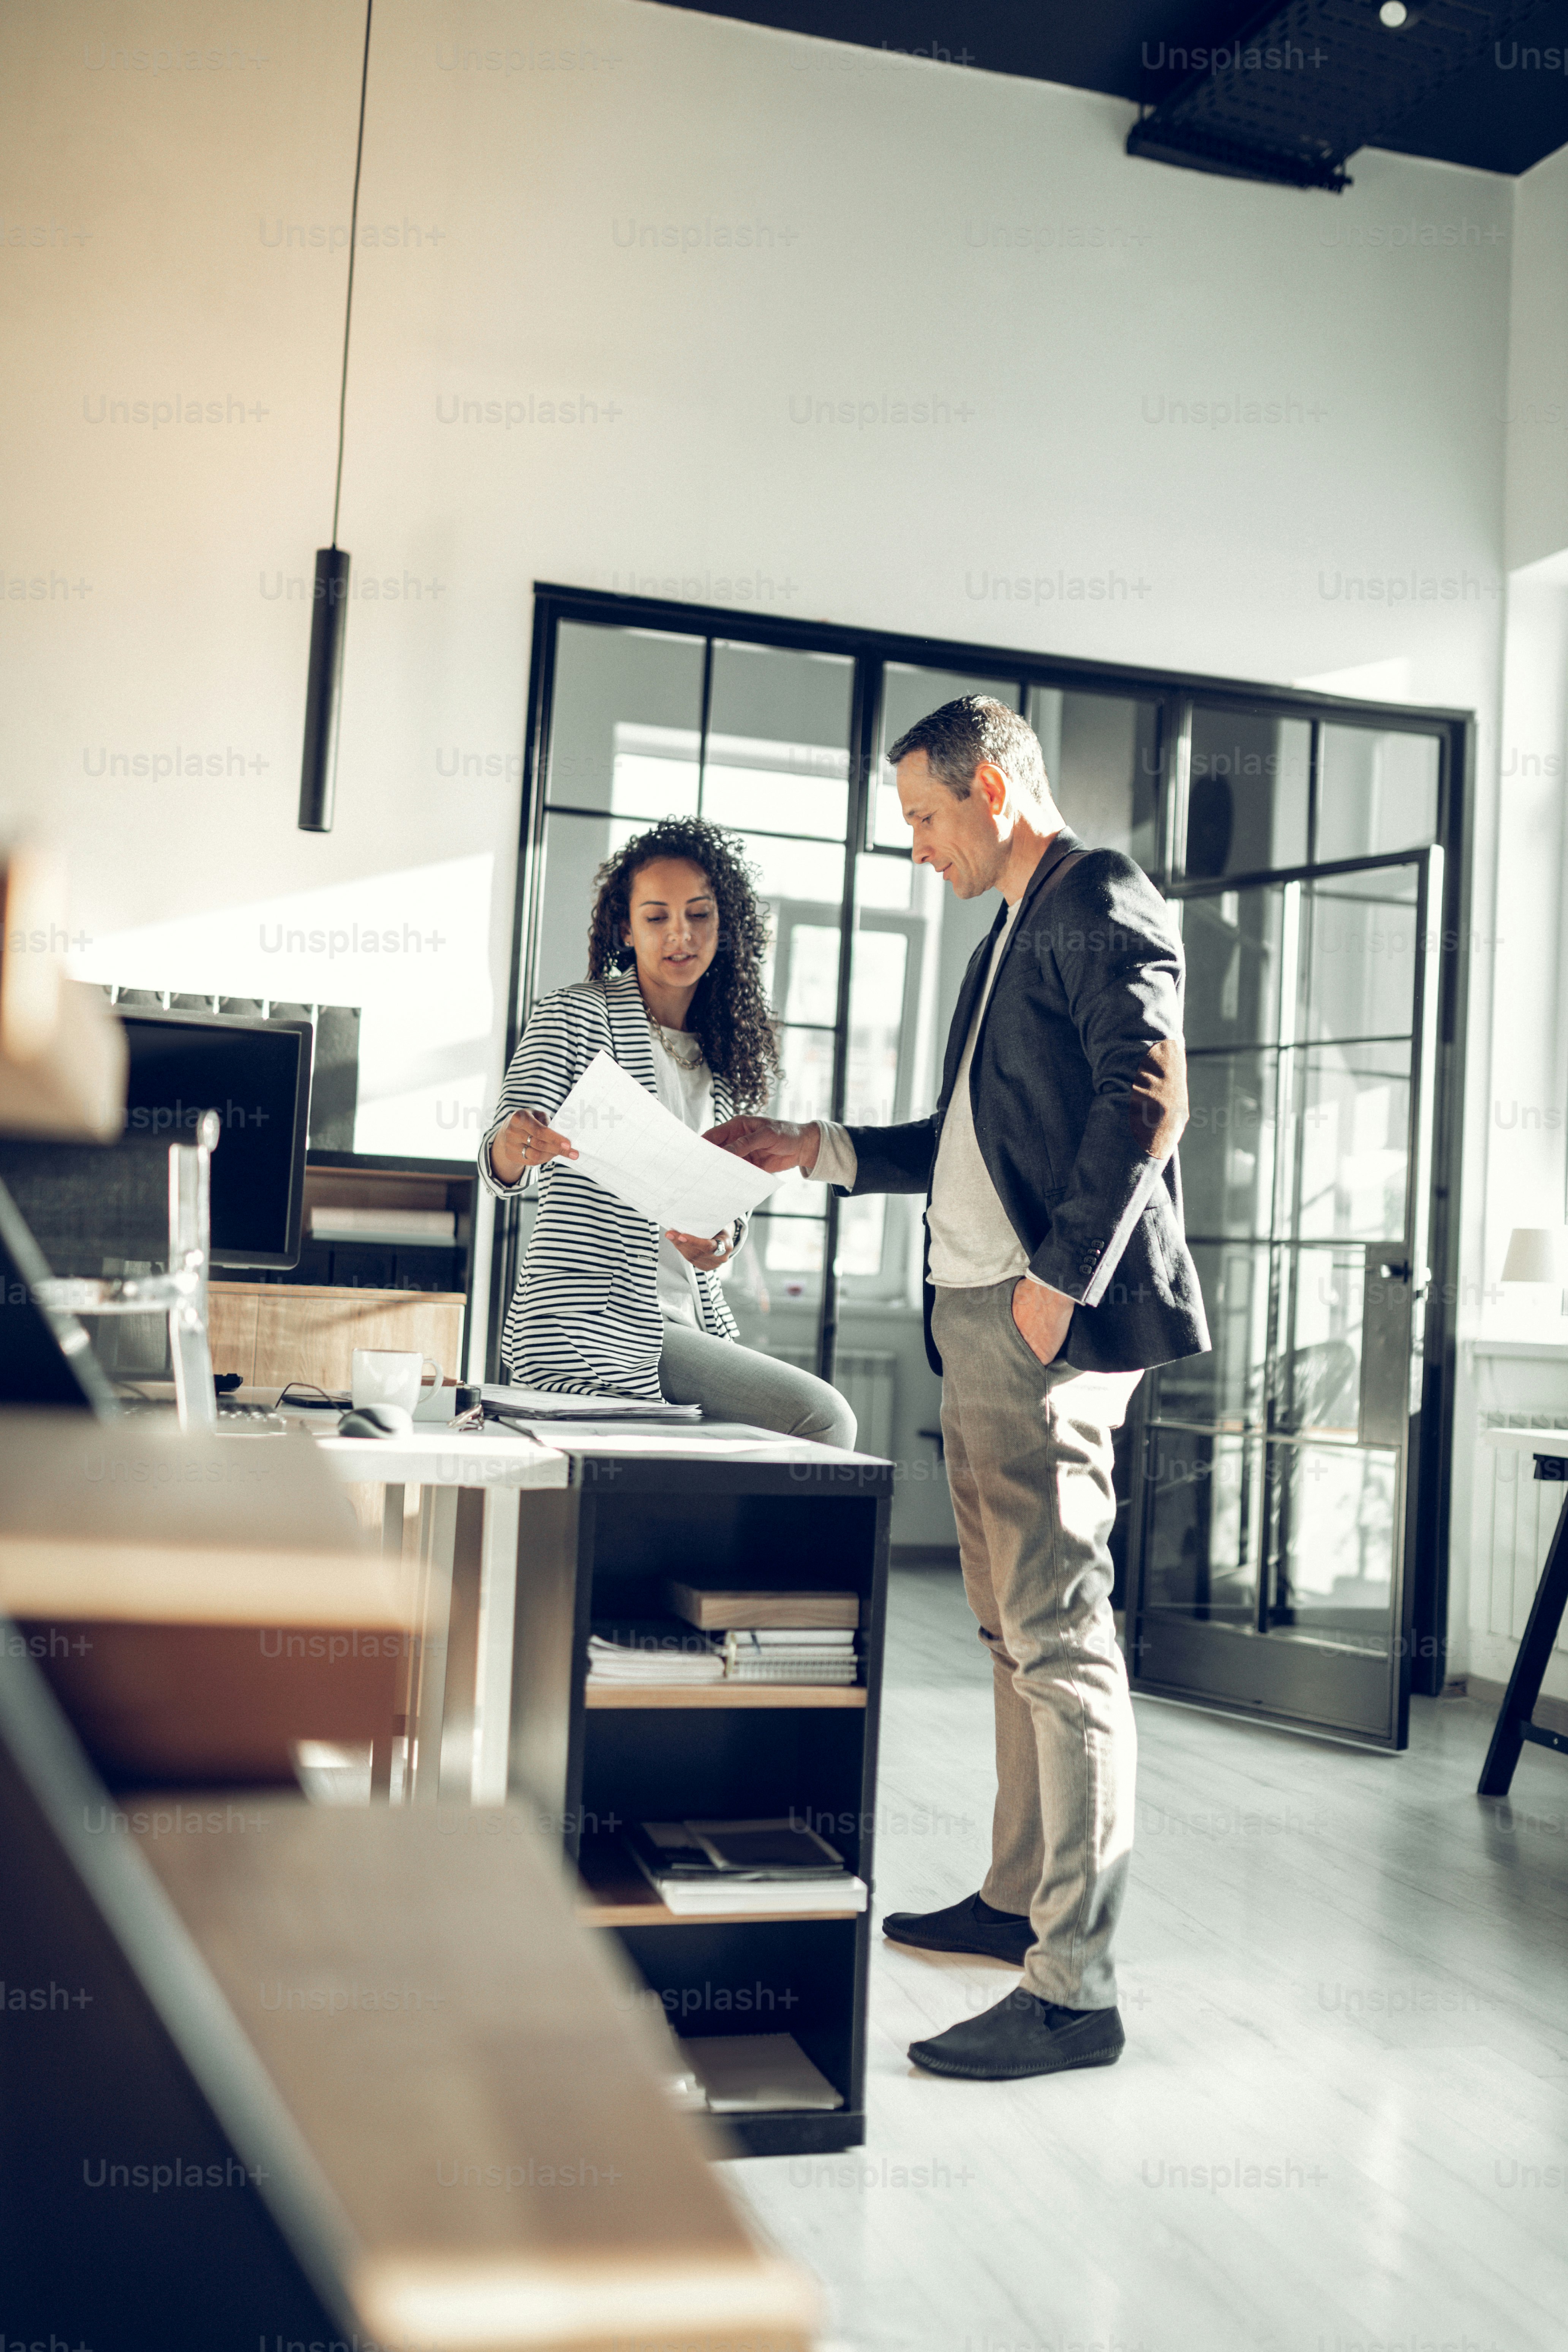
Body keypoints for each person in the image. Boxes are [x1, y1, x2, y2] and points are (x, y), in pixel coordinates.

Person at [708, 696, 1209, 2082]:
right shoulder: (1005, 933)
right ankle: (1010, 1903)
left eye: (924, 817)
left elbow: (1146, 1092)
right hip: (980, 1320)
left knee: (1058, 1639)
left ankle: (1073, 1987)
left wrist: (1058, 1276)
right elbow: (960, 1142)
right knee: (1006, 1635)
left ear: (989, 787)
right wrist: (806, 1146)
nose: (916, 848)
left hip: (1038, 1323)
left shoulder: (1095, 894)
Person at [478, 815, 855, 1447]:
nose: (680, 935)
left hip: (686, 1320)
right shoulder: (576, 1015)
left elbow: (730, 1211)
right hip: (587, 1321)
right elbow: (500, 1163)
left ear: (722, 924)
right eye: (657, 917)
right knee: (823, 1418)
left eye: (699, 915)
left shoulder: (730, 1052)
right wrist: (516, 1144)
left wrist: (720, 1242)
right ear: (627, 927)